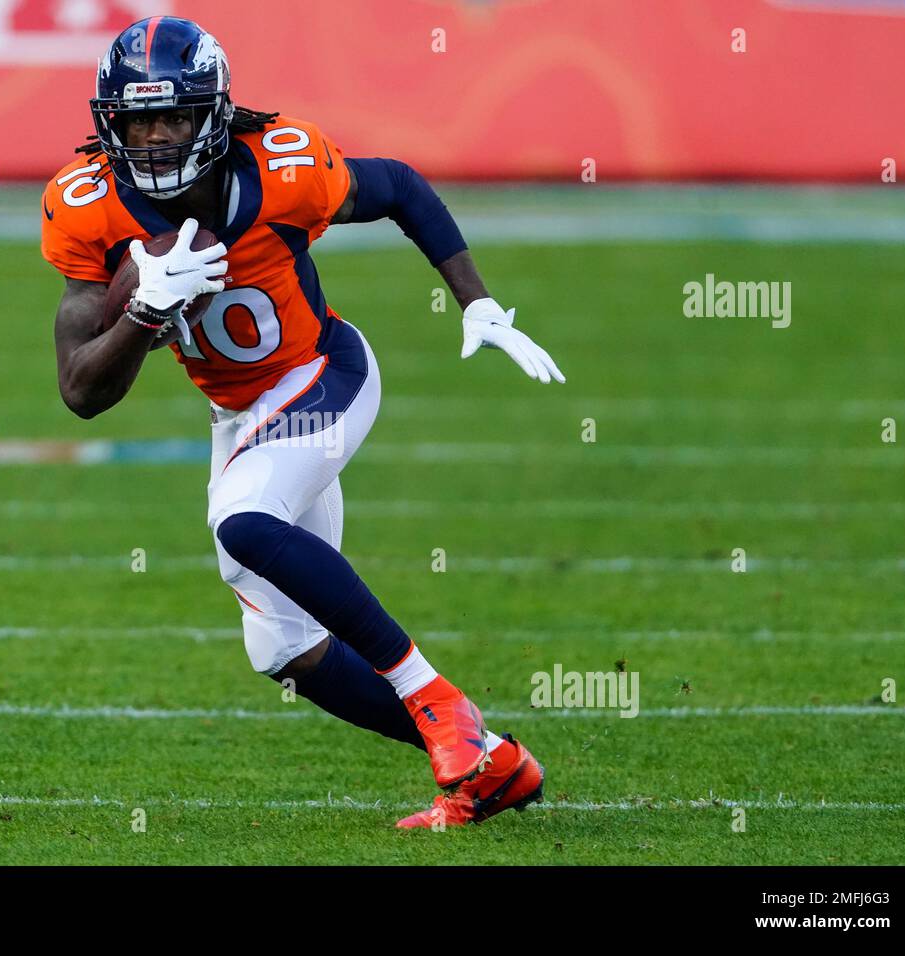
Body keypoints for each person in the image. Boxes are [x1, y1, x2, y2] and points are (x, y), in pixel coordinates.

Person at [42, 16, 564, 828]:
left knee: (241, 520)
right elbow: (81, 389)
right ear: (110, 122)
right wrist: (144, 312)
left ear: (211, 114)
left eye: (172, 115)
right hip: (238, 413)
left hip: (325, 376)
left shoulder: (284, 169)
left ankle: (437, 700)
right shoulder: (87, 205)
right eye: (136, 119)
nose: (153, 137)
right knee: (283, 650)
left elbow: (399, 186)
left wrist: (479, 302)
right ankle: (495, 766)